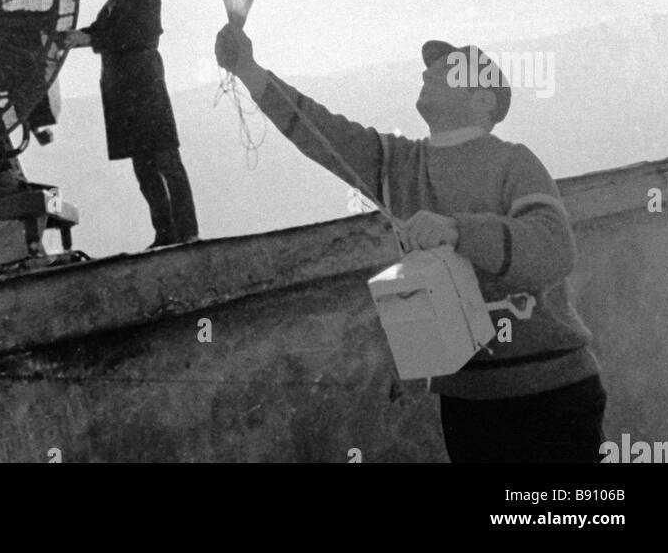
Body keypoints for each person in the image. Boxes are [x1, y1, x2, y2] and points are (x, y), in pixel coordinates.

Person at [214, 23, 607, 464]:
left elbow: (554, 249)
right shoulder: (397, 162)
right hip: (466, 403)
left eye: (450, 67)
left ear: (484, 101)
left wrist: (459, 231)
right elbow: (319, 131)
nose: (431, 70)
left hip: (552, 393)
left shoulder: (515, 161)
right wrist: (248, 70)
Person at [66, 0, 198, 248]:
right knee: (144, 169)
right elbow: (97, 32)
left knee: (167, 162)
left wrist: (92, 39)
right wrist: (72, 38)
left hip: (145, 90)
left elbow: (139, 35)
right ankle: (165, 233)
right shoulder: (111, 5)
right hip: (123, 96)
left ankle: (188, 232)